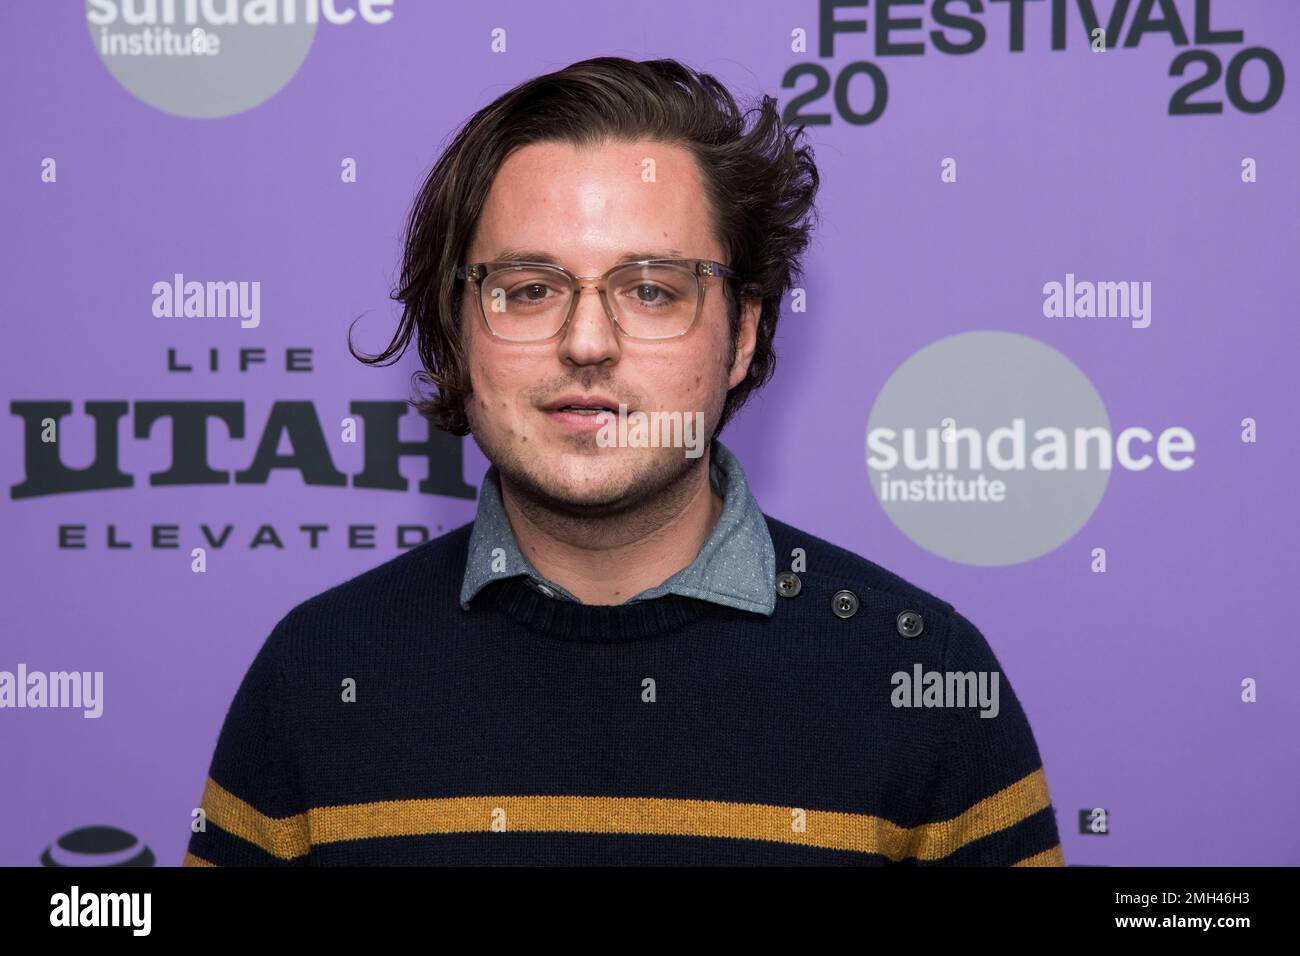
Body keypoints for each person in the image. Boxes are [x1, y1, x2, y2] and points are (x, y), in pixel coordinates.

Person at [184, 56, 1063, 866]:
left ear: (743, 333)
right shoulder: (317, 674)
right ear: (457, 331)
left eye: (651, 290)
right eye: (529, 290)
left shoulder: (925, 679)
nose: (587, 342)